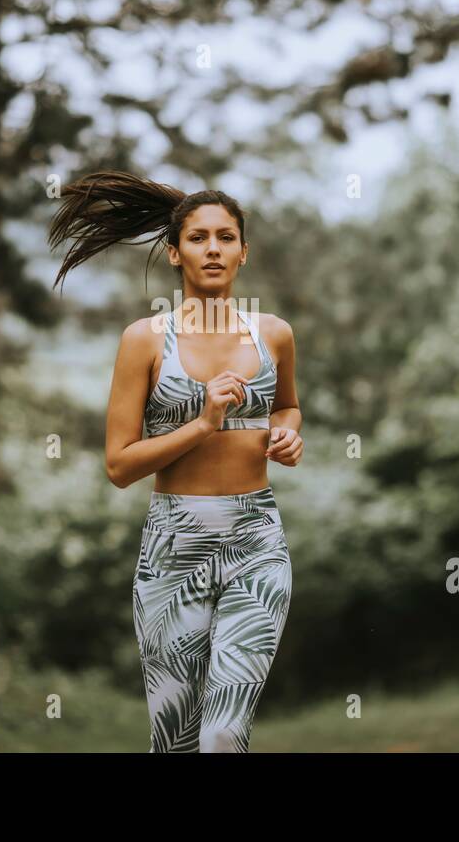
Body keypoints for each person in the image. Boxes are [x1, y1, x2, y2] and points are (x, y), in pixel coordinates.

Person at [48, 170, 302, 752]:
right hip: (173, 550)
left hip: (256, 541)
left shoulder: (275, 334)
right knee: (177, 741)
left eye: (225, 236)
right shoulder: (144, 339)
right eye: (197, 237)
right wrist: (204, 425)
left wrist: (287, 436)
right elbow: (119, 465)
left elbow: (287, 407)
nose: (213, 248)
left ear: (244, 251)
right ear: (173, 253)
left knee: (222, 733)